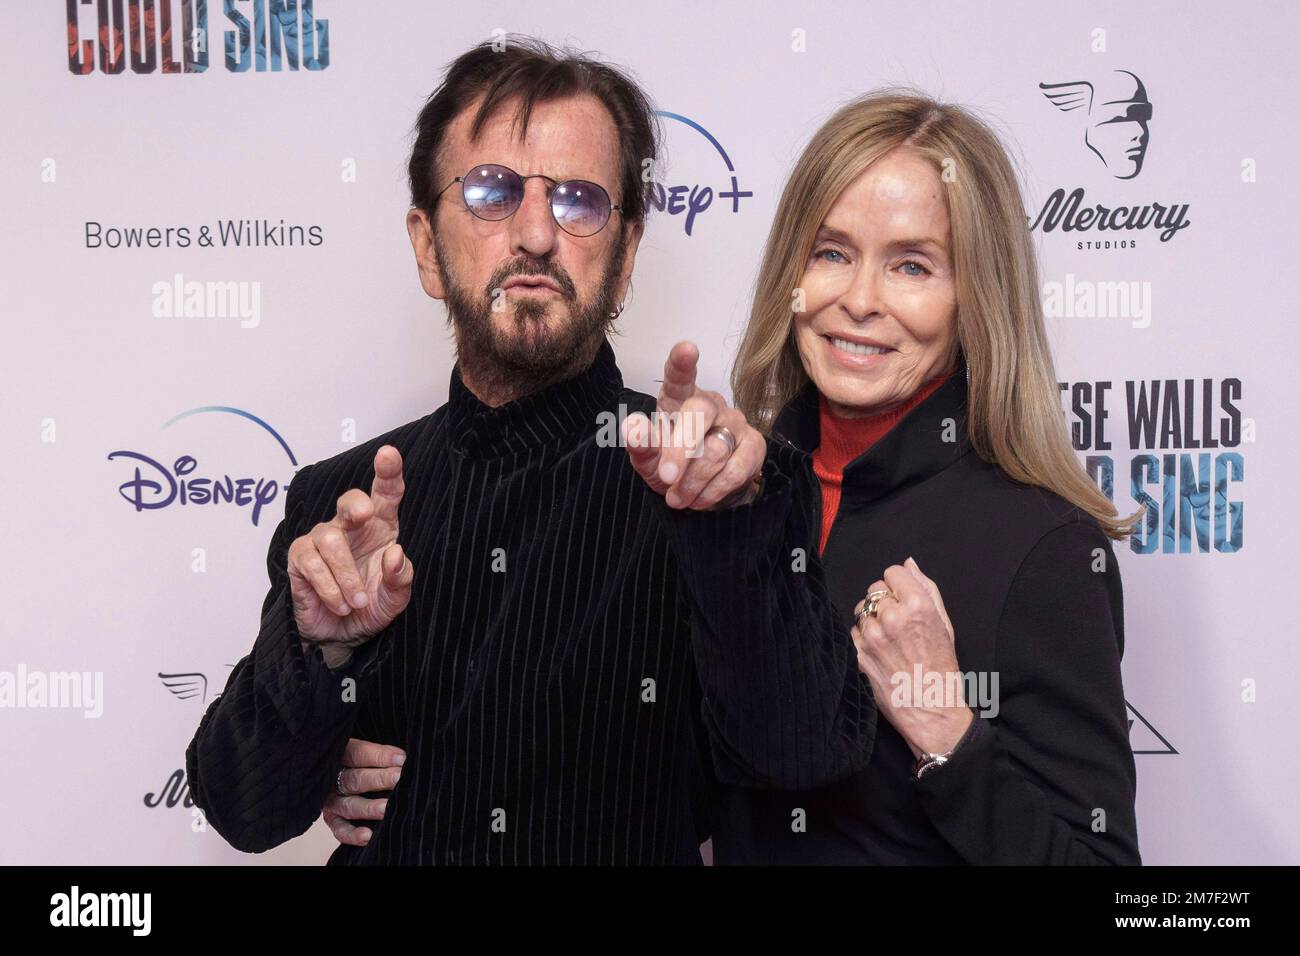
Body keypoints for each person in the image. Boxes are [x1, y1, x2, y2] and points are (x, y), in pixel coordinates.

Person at [185, 36, 874, 865]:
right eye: (491, 191)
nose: (538, 234)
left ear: (624, 262)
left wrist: (730, 529)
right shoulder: (339, 500)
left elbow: (800, 757)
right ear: (426, 246)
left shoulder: (723, 483)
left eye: (581, 201)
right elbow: (241, 811)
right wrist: (322, 652)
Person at [701, 89, 1140, 864]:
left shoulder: (1045, 547)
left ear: (975, 299)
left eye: (911, 265)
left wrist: (945, 726)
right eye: (831, 252)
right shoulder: (742, 500)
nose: (859, 302)